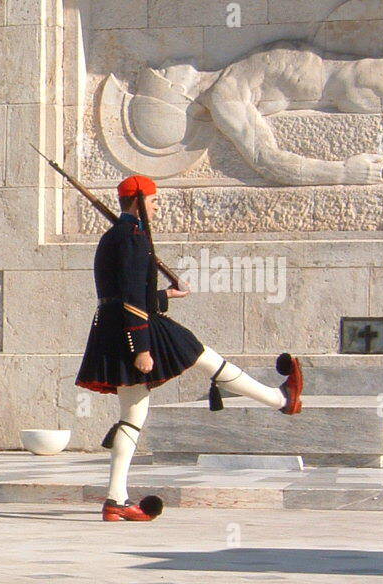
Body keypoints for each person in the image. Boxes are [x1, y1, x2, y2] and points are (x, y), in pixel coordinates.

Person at [76, 174, 304, 522]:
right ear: (137, 200)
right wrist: (141, 347)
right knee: (200, 357)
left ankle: (115, 500)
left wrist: (168, 295)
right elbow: (133, 300)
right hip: (135, 330)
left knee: (134, 416)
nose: (157, 205)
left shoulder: (114, 237)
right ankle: (280, 400)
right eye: (153, 199)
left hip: (113, 328)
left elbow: (126, 294)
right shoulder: (134, 238)